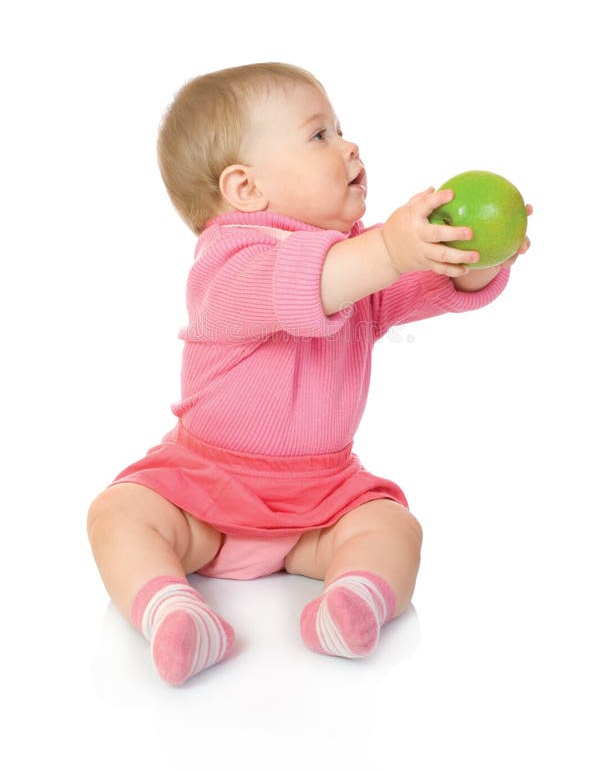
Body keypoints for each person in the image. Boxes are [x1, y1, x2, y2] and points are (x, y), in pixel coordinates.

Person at [87, 62, 530, 686]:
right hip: (203, 489)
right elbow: (310, 281)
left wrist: (473, 257)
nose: (350, 146)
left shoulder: (360, 264)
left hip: (320, 499)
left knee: (391, 526)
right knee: (120, 512)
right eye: (319, 135)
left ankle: (355, 599)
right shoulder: (226, 266)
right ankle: (169, 609)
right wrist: (387, 250)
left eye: (342, 129)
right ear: (245, 190)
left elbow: (427, 282)